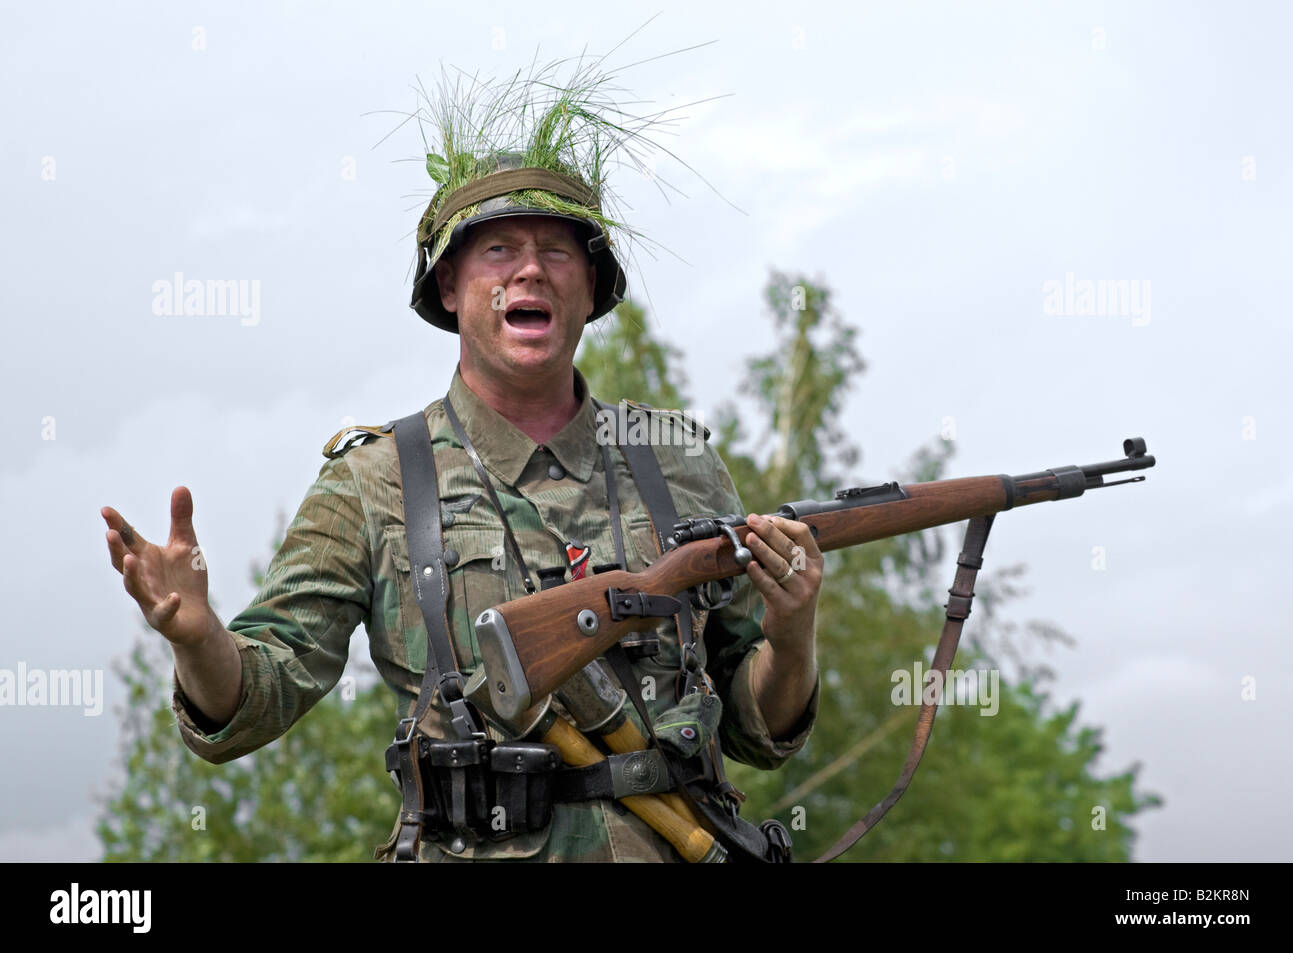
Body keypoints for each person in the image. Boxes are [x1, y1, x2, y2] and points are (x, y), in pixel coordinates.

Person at [100, 96, 822, 863]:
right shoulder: (374, 481)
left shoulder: (674, 458)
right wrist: (197, 636)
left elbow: (758, 728)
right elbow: (252, 700)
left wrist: (795, 631)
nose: (531, 270)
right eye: (498, 251)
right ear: (450, 287)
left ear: (590, 289)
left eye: (558, 252)